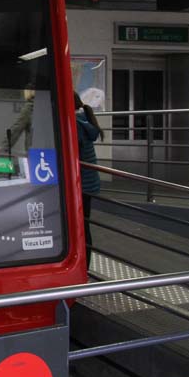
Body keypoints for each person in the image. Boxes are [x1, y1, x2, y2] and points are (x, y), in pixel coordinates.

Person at [75, 91, 102, 269]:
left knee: (82, 226)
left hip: (81, 183)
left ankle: (83, 266)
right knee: (85, 224)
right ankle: (86, 265)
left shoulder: (75, 124)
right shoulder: (85, 117)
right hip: (89, 182)